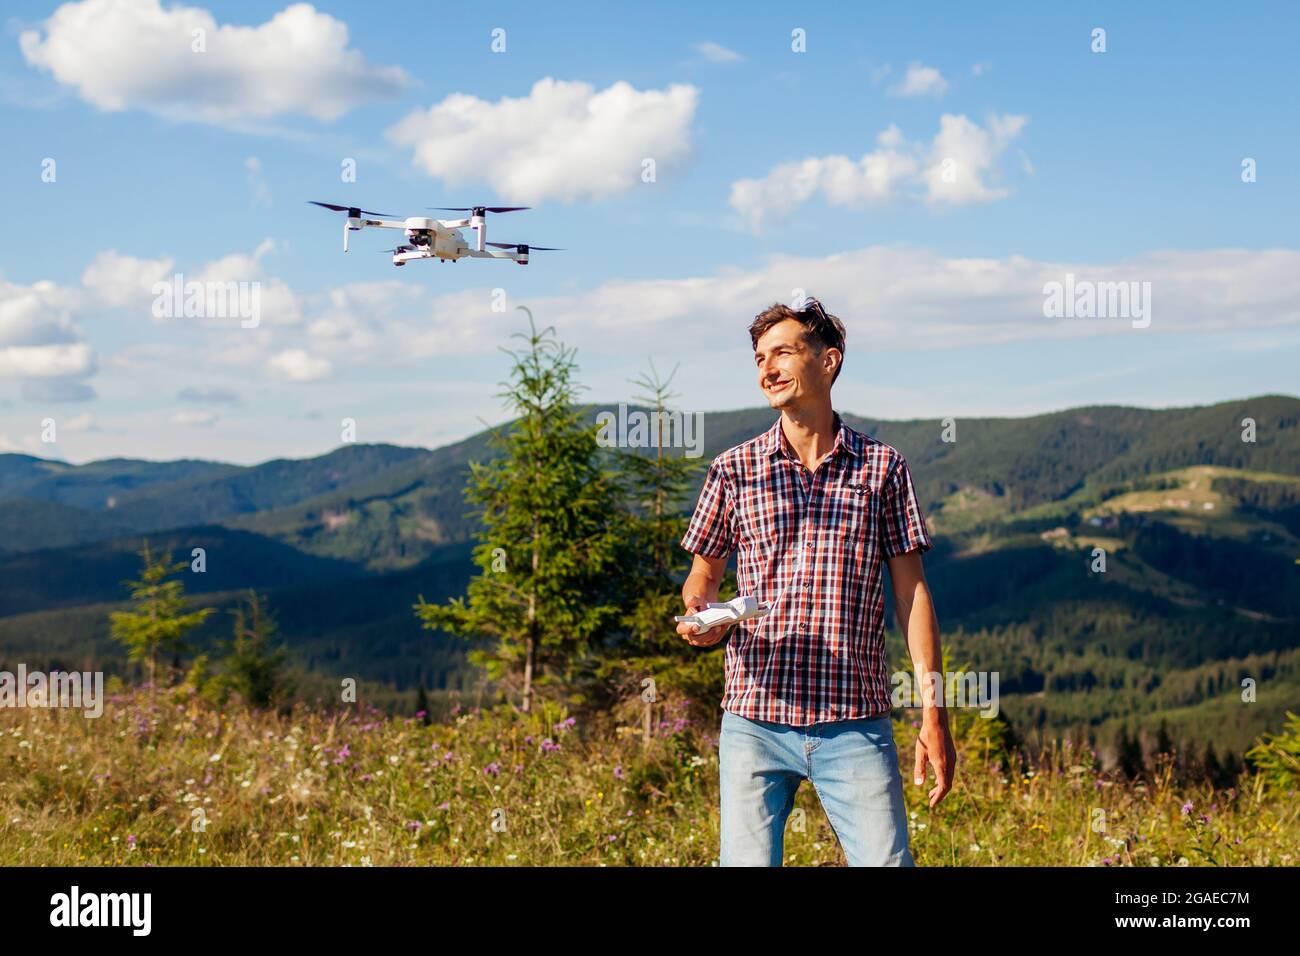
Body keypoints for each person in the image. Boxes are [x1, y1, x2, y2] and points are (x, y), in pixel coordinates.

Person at [678, 296, 955, 866]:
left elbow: (912, 596)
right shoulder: (733, 469)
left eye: (782, 353)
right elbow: (703, 575)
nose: (767, 369)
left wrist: (934, 711)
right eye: (760, 358)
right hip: (754, 719)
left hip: (855, 721)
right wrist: (703, 614)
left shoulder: (882, 468)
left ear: (828, 361)